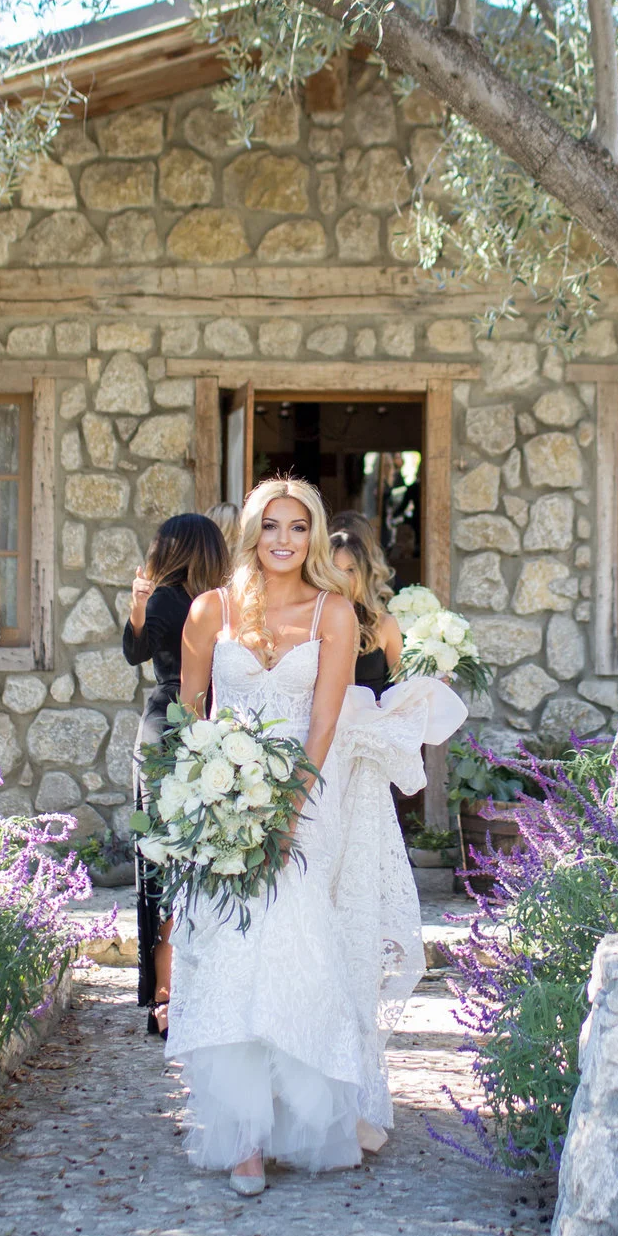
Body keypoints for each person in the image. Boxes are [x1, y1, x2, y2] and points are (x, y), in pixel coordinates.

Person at [165, 477, 462, 1196]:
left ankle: (302, 1113)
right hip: (224, 803)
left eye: (299, 527)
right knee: (235, 949)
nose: (285, 539)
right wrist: (205, 794)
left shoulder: (334, 612)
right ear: (252, 534)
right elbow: (189, 709)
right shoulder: (210, 611)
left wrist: (292, 802)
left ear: (313, 534)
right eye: (272, 525)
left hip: (306, 801)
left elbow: (324, 720)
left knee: (294, 945)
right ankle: (243, 1134)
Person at [126, 513, 230, 1036]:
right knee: (194, 859)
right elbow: (137, 650)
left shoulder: (177, 597)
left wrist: (139, 609)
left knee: (168, 861)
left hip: (173, 724)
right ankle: (176, 994)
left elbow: (135, 651)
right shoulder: (207, 600)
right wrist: (139, 609)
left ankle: (168, 993)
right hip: (195, 728)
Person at [328, 511, 403, 694]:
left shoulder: (385, 623)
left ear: (362, 572)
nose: (343, 578)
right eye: (335, 569)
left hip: (373, 718)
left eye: (351, 570)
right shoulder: (311, 621)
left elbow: (403, 689)